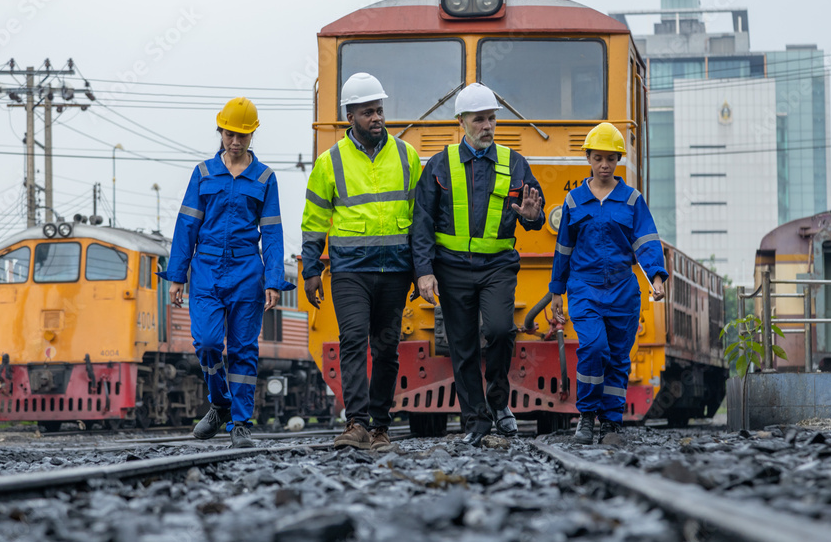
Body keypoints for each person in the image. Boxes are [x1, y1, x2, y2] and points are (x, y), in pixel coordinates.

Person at [413, 83, 545, 446]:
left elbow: (535, 213)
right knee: (463, 344)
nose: (487, 125)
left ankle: (499, 402)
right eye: (479, 119)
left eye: (492, 118)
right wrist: (423, 271)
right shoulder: (439, 165)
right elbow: (421, 220)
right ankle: (476, 419)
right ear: (462, 122)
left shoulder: (515, 163)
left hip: (498, 266)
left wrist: (534, 217)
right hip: (451, 268)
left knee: (501, 330)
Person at [158, 97, 294, 448]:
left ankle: (241, 423)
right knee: (205, 343)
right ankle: (219, 403)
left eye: (243, 136)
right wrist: (177, 275)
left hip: (248, 270)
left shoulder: (265, 178)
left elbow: (274, 233)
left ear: (252, 137)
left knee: (243, 348)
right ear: (220, 131)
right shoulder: (203, 173)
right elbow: (186, 225)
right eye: (230, 134)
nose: (235, 142)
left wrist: (274, 281)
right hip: (205, 270)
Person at [301, 73, 421, 451]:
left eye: (380, 110)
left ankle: (381, 427)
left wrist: (423, 268)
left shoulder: (407, 156)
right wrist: (309, 269)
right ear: (350, 115)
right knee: (353, 340)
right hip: (350, 270)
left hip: (396, 270)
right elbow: (315, 219)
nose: (377, 118)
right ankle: (357, 423)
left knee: (385, 348)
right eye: (368, 112)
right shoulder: (329, 162)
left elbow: (422, 218)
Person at [548, 122, 667, 445]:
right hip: (584, 288)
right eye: (598, 158)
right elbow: (563, 249)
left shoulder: (631, 200)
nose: (604, 165)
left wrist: (656, 276)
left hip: (622, 290)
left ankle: (611, 423)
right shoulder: (574, 201)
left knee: (617, 357)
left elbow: (646, 241)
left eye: (611, 159)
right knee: (593, 347)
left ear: (618, 161)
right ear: (588, 158)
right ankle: (586, 417)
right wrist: (556, 290)